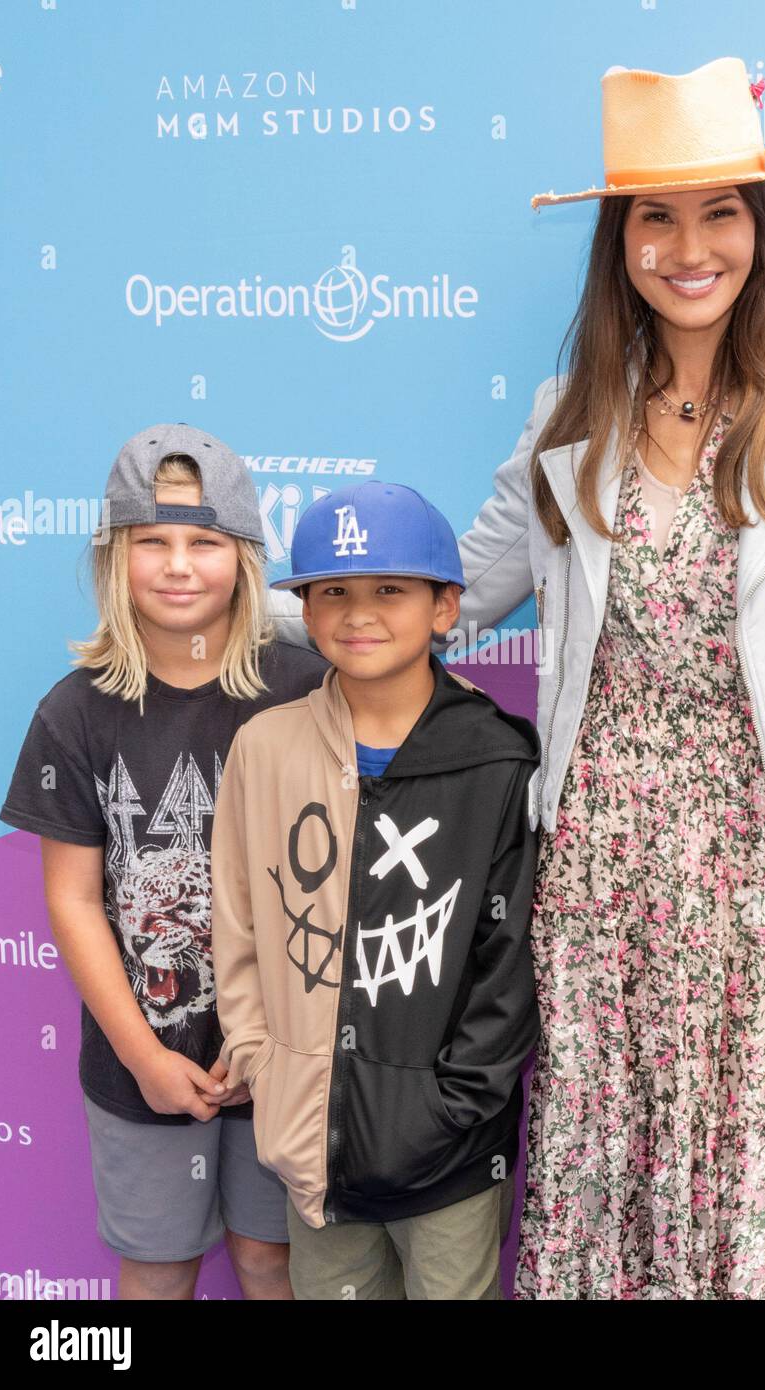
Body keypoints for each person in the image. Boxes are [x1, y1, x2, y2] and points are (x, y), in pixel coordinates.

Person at [442, 57, 765, 1298]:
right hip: (599, 898)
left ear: (760, 232)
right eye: (653, 217)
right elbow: (448, 597)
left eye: (718, 210)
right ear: (618, 243)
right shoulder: (571, 420)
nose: (686, 246)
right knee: (608, 1207)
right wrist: (247, 613)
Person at [0, 424, 329, 1299]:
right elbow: (72, 900)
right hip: (141, 1056)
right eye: (154, 542)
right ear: (116, 558)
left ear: (245, 556)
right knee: (156, 1263)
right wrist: (144, 1054)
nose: (179, 565)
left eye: (204, 541)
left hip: (290, 1057)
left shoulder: (304, 689)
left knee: (273, 1256)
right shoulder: (76, 712)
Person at [210, 480, 541, 1300]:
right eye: (334, 593)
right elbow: (239, 920)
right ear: (309, 614)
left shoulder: (498, 760)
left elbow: (510, 963)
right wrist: (265, 1061)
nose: (360, 613)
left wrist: (457, 1107)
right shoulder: (265, 746)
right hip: (315, 1145)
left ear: (443, 607)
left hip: (454, 1161)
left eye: (390, 588)